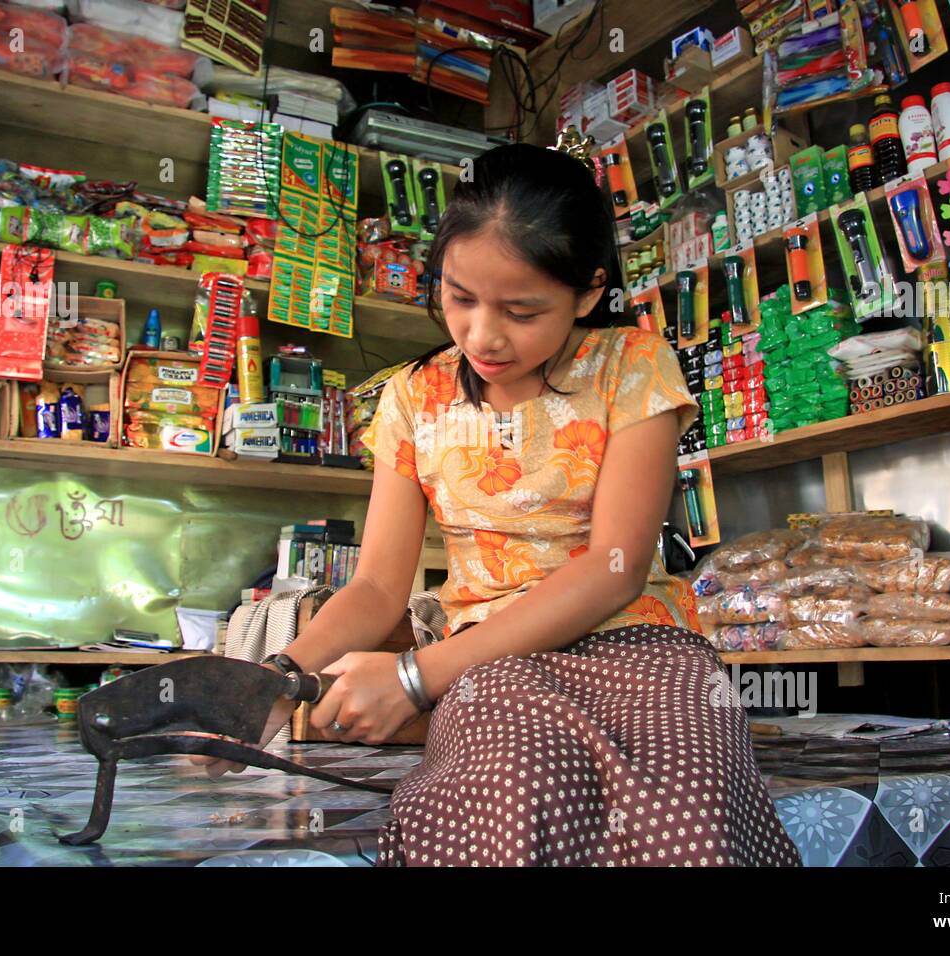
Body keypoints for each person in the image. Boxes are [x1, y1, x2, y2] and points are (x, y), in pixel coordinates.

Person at [194, 142, 801, 867]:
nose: (483, 334)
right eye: (460, 298)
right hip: (489, 665)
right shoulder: (413, 397)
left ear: (585, 293)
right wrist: (272, 679)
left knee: (687, 816)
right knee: (505, 801)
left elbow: (614, 568)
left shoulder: (632, 366)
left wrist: (416, 678)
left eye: (521, 310)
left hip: (642, 649)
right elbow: (380, 587)